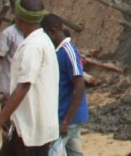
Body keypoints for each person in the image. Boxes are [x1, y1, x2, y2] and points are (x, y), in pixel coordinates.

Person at [0, 0, 59, 154]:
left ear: (18, 19)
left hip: (32, 132)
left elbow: (23, 86)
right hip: (25, 127)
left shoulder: (32, 46)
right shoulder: (42, 40)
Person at [41, 14, 88, 156]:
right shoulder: (58, 51)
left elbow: (79, 86)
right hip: (63, 115)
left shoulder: (68, 51)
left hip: (69, 118)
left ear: (52, 31)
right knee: (73, 152)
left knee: (53, 152)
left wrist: (66, 121)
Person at [0, 19, 24, 106]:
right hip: (8, 83)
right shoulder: (8, 34)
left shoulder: (33, 34)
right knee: (7, 108)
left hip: (23, 82)